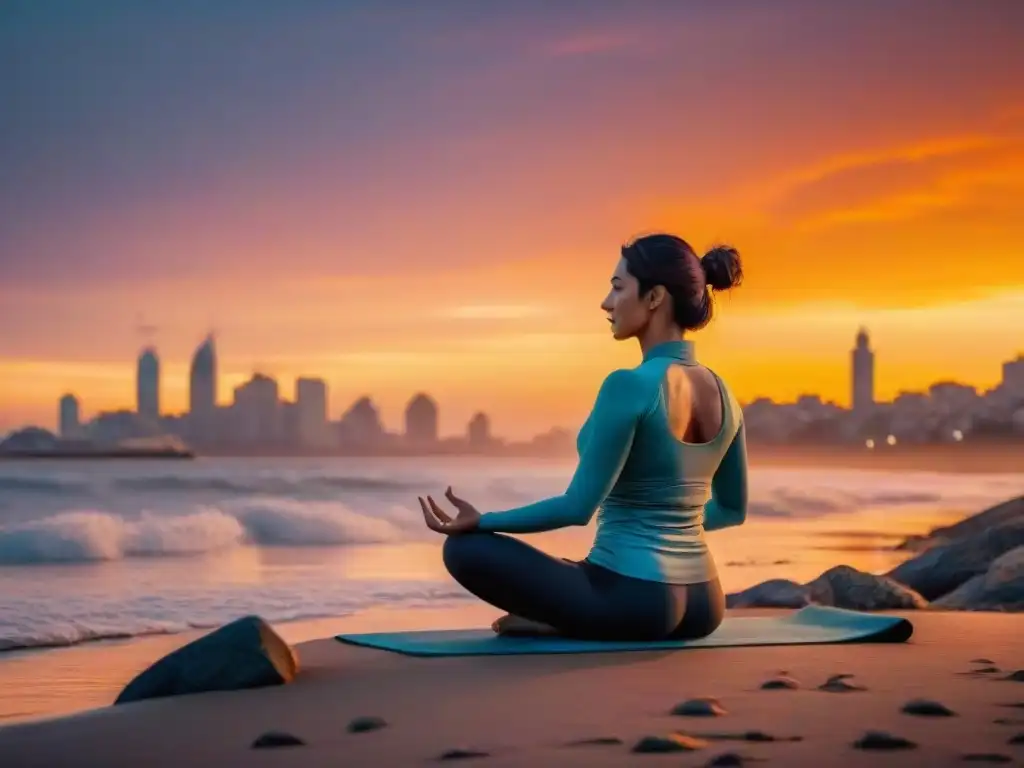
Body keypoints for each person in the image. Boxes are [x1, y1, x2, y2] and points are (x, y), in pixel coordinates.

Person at [417, 233, 748, 642]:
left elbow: (577, 508)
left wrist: (481, 521)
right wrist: (673, 530)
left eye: (617, 287)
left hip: (636, 601)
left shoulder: (628, 385)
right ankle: (569, 615)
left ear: (655, 297)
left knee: (465, 550)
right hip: (705, 604)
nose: (607, 303)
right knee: (575, 570)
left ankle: (563, 619)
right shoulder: (726, 393)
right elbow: (733, 510)